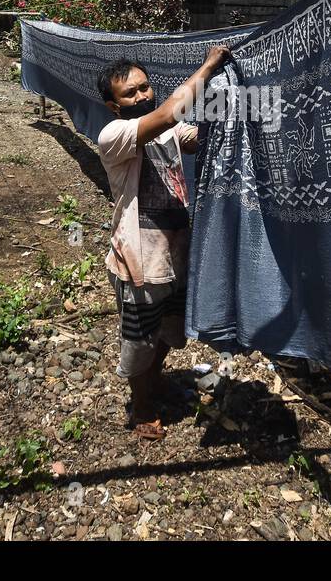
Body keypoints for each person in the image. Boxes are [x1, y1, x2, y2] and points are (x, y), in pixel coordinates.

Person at [95, 45, 232, 441]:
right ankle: (142, 406)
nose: (141, 95)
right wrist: (209, 65)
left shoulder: (164, 130)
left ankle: (155, 385)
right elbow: (171, 112)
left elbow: (192, 135)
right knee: (140, 340)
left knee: (167, 331)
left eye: (145, 87)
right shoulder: (115, 134)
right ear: (113, 105)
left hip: (174, 256)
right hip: (140, 264)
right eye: (130, 93)